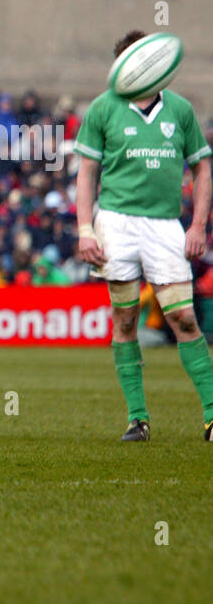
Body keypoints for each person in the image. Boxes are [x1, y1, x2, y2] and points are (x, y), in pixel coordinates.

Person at [75, 29, 213, 441]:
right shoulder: (103, 108)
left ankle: (211, 416)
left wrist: (198, 225)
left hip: (164, 225)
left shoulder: (181, 110)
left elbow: (202, 167)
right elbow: (86, 172)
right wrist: (85, 229)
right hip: (115, 223)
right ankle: (137, 418)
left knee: (184, 319)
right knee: (125, 318)